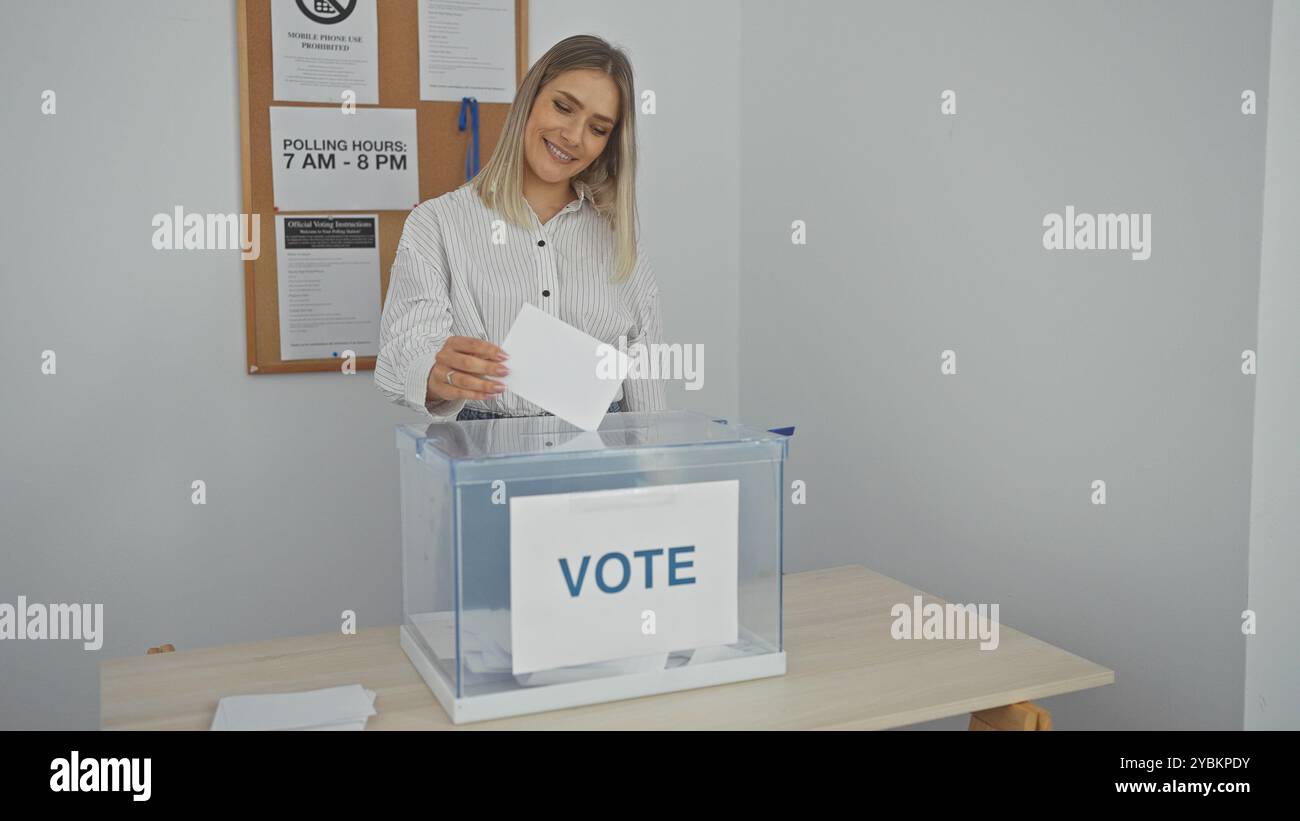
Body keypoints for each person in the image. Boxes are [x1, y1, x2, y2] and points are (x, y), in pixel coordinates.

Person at [374, 34, 666, 422]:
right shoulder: (438, 223)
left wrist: (654, 466)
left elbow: (644, 374)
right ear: (530, 98)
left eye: (597, 129)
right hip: (484, 448)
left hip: (600, 446)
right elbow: (404, 351)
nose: (574, 136)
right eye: (563, 107)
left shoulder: (617, 237)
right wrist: (433, 371)